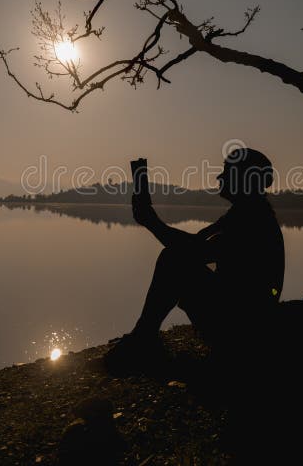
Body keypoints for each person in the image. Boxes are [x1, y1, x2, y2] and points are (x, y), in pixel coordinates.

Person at [105, 147, 285, 372]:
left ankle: (144, 340)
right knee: (174, 257)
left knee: (172, 260)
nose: (220, 177)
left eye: (227, 172)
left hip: (242, 330)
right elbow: (198, 244)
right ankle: (144, 337)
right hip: (245, 319)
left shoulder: (252, 219)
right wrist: (151, 219)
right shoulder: (245, 212)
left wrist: (151, 222)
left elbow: (196, 251)